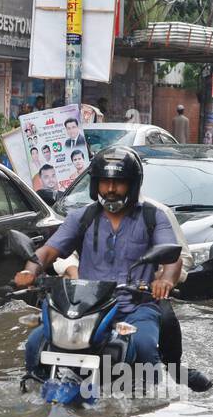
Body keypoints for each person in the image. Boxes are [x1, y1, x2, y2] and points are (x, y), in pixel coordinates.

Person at [14, 147, 180, 382]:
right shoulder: (81, 217)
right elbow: (49, 250)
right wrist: (30, 270)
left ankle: (150, 403)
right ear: (95, 184)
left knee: (144, 346)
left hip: (135, 307)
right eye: (104, 182)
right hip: (86, 308)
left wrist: (165, 280)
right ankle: (34, 389)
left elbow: (173, 257)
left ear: (133, 184)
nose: (110, 189)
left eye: (118, 183)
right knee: (35, 342)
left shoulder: (154, 217)